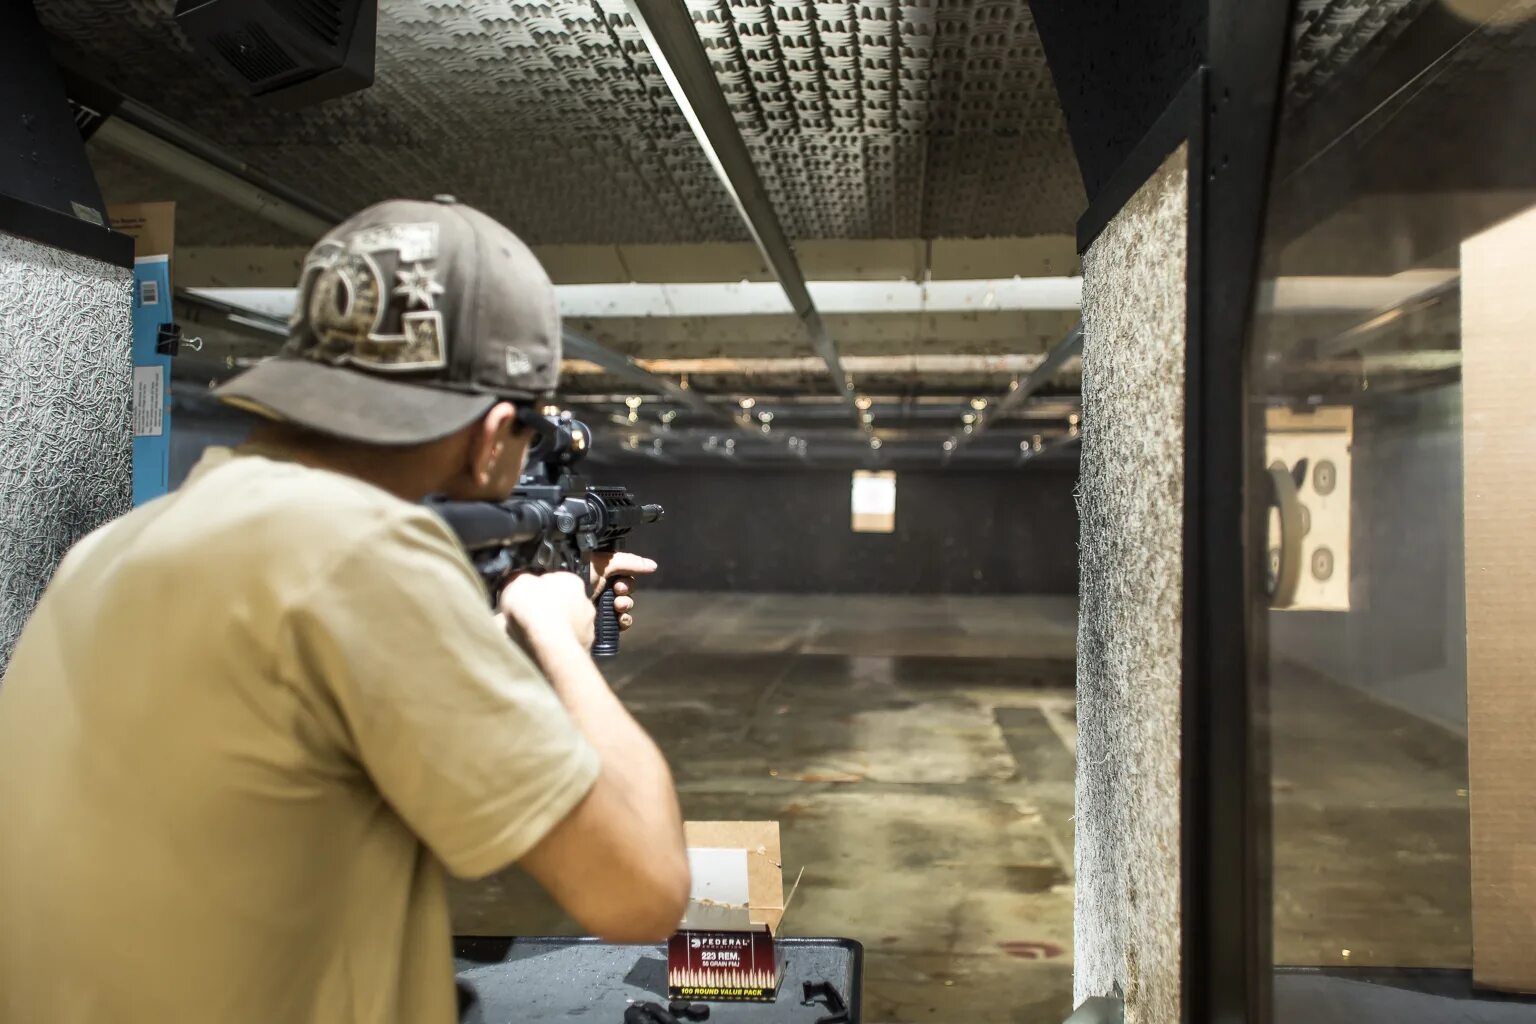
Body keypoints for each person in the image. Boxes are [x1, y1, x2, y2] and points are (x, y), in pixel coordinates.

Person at [0, 197, 690, 1023]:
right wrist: (558, 632)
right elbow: (642, 892)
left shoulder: (110, 550)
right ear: (495, 430)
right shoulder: (360, 558)